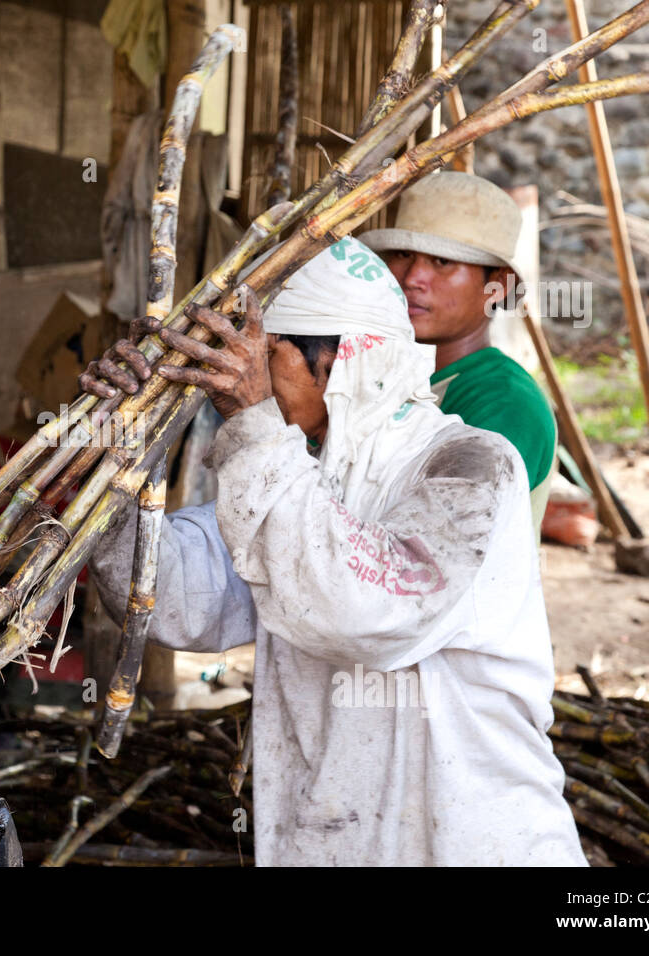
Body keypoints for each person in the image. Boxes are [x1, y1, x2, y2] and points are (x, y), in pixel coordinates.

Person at [78, 236, 585, 866]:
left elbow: (360, 610)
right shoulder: (299, 477)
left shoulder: (473, 467)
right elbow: (176, 600)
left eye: (269, 359)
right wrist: (110, 464)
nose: (252, 382)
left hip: (473, 846)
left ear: (344, 362)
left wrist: (256, 426)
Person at [361, 171, 557, 540]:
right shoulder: (380, 374)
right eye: (404, 254)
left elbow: (437, 544)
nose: (413, 277)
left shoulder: (504, 402)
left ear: (499, 285)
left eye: (443, 262)